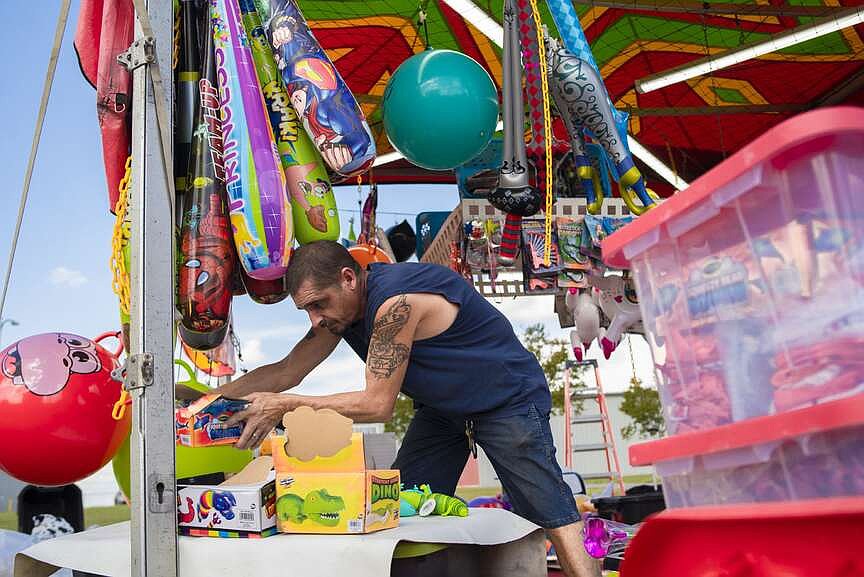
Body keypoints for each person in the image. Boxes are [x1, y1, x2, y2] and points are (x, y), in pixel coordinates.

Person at [223, 240, 600, 577]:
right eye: (306, 310)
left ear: (348, 279)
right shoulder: (339, 314)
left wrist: (286, 406)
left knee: (551, 513)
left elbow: (376, 404)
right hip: (443, 410)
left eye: (319, 304)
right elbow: (288, 370)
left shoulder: (396, 305)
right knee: (396, 509)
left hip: (504, 400)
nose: (315, 318)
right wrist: (209, 399)